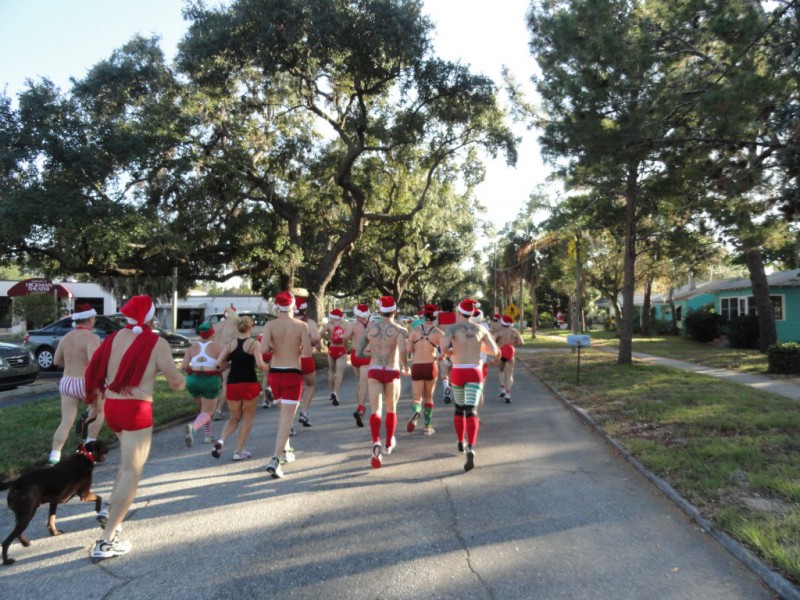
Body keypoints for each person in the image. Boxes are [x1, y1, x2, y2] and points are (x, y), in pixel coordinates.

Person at [84, 295, 185, 561]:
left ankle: (110, 509)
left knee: (126, 466)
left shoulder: (114, 338)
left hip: (112, 407)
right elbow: (175, 382)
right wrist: (185, 378)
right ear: (151, 317)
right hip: (136, 409)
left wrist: (94, 403)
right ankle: (106, 542)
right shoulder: (157, 342)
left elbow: (96, 370)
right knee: (132, 472)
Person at [440, 298, 500, 472]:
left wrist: (450, 353)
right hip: (475, 371)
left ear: (459, 313)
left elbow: (443, 347)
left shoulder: (452, 328)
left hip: (458, 371)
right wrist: (481, 349)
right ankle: (471, 447)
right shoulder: (480, 329)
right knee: (471, 409)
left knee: (459, 408)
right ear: (473, 314)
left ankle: (460, 441)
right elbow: (496, 351)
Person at [260, 291, 312, 478]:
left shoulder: (269, 325)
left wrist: (276, 347)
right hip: (292, 373)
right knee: (287, 420)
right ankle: (275, 459)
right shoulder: (301, 326)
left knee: (283, 416)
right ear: (293, 306)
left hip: (275, 374)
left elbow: (263, 349)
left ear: (277, 306)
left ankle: (287, 450)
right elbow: (307, 352)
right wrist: (295, 347)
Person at [356, 295, 409, 468]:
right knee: (391, 408)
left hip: (375, 369)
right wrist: (406, 366)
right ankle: (388, 444)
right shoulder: (400, 330)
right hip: (392, 370)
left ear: (380, 311)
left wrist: (372, 356)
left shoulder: (370, 330)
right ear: (394, 311)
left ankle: (376, 442)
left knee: (375, 410)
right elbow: (402, 351)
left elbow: (358, 352)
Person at [48, 304, 101, 465]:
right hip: (85, 382)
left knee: (66, 421)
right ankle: (89, 452)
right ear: (90, 319)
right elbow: (94, 363)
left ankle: (54, 456)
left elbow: (56, 361)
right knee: (98, 412)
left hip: (67, 382)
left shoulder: (66, 337)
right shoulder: (92, 338)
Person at [212, 316, 268, 461]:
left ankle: (221, 440)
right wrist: (272, 367)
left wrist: (229, 364)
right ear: (251, 328)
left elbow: (218, 363)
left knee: (234, 417)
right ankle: (238, 451)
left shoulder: (230, 344)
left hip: (232, 384)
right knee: (248, 419)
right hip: (249, 384)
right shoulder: (254, 344)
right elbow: (261, 365)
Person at [181, 323, 224, 446]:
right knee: (209, 411)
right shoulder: (218, 348)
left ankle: (208, 436)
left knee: (203, 411)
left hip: (193, 380)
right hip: (210, 380)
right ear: (212, 334)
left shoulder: (191, 348)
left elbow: (184, 366)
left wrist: (193, 373)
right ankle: (193, 428)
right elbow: (221, 365)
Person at [405, 304, 443, 436]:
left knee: (416, 398)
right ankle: (427, 426)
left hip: (417, 365)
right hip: (431, 366)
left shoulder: (414, 330)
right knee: (429, 398)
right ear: (435, 316)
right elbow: (445, 352)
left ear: (423, 316)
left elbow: (409, 349)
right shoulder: (438, 333)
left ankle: (416, 412)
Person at [295, 297, 321, 427]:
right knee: (310, 385)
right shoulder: (309, 322)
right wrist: (311, 343)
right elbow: (316, 338)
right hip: (305, 359)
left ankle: (289, 424)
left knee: (292, 392)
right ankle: (304, 412)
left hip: (290, 360)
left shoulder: (284, 323)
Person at [212, 306, 239, 421]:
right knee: (225, 384)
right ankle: (218, 410)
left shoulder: (215, 326)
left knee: (215, 384)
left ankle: (209, 409)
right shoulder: (235, 327)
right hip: (226, 356)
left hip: (213, 355)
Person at [348, 303, 372, 427]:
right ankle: (360, 408)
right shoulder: (373, 325)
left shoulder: (352, 325)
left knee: (359, 382)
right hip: (367, 355)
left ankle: (359, 405)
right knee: (364, 384)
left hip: (355, 355)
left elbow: (344, 337)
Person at [322, 307, 349, 406]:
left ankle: (330, 393)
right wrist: (346, 347)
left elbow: (320, 334)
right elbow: (346, 338)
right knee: (339, 373)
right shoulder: (346, 325)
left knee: (331, 371)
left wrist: (325, 340)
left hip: (332, 349)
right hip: (341, 350)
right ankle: (336, 392)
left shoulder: (329, 325)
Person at [494, 314, 524, 403]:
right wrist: (514, 342)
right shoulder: (514, 332)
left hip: (501, 353)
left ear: (502, 323)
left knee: (501, 371)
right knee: (510, 374)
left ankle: (502, 389)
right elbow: (521, 343)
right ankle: (508, 394)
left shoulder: (499, 332)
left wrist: (497, 345)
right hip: (510, 353)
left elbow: (492, 340)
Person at [435, 298, 456, 404]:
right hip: (454, 345)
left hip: (442, 345)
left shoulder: (439, 317)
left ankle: (446, 390)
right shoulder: (456, 316)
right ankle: (452, 389)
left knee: (444, 371)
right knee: (452, 368)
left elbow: (434, 329)